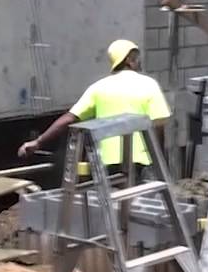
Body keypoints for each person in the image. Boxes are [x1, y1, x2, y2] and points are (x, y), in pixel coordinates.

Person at [17, 39, 170, 177]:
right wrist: (160, 162)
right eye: (136, 57)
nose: (139, 61)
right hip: (142, 162)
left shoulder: (98, 88)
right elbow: (159, 126)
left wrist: (38, 142)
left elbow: (69, 118)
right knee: (143, 207)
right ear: (129, 60)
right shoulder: (149, 85)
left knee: (109, 207)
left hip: (108, 166)